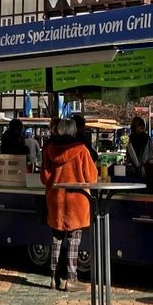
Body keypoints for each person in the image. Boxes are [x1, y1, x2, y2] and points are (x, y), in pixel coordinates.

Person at [40, 118, 98, 291]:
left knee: (56, 238)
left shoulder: (49, 149)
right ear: (73, 131)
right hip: (77, 201)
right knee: (74, 240)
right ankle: (71, 279)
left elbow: (44, 178)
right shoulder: (80, 150)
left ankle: (53, 277)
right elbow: (92, 177)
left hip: (55, 199)